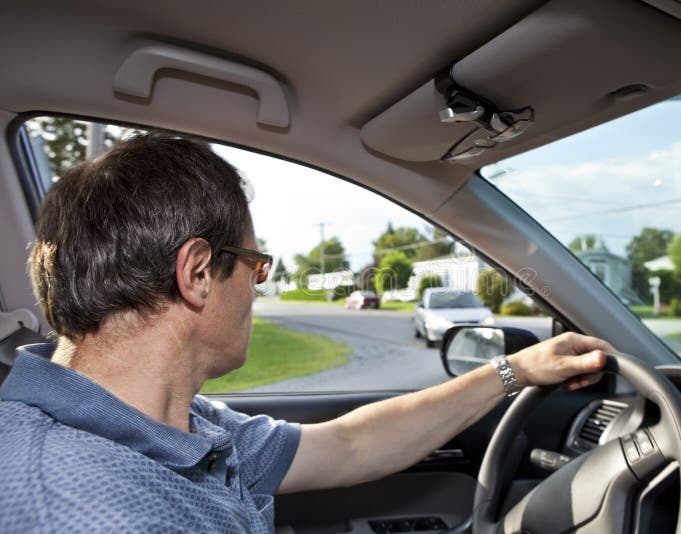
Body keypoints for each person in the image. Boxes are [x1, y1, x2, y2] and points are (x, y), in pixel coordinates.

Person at [0, 133, 610, 532]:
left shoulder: (178, 422)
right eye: (257, 266)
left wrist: (515, 370)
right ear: (198, 273)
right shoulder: (76, 506)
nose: (257, 289)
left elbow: (348, 445)